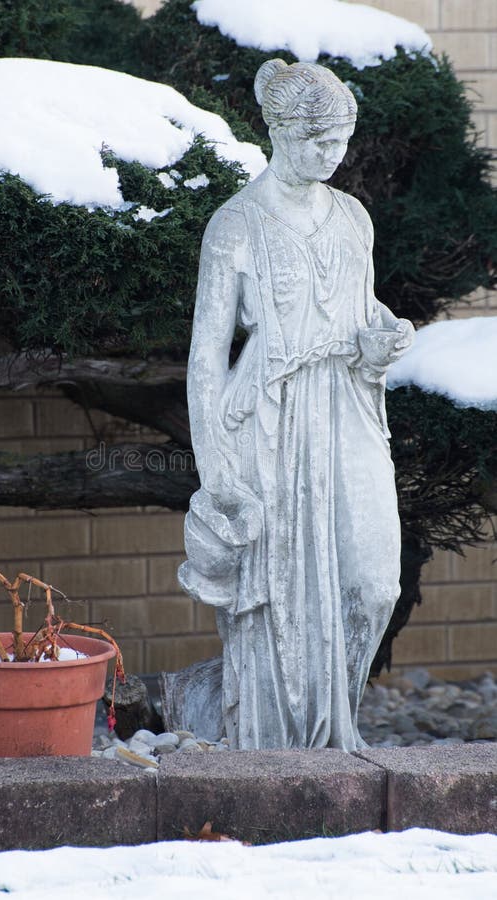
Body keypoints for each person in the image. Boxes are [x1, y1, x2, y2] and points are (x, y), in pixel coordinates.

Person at [178, 59, 414, 750]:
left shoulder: (351, 216)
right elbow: (205, 353)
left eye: (340, 140)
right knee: (277, 598)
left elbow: (358, 305)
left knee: (373, 586)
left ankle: (332, 729)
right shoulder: (235, 224)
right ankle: (276, 748)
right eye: (317, 140)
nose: (331, 155)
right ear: (278, 131)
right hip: (268, 419)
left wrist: (383, 340)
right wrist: (215, 473)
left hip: (347, 407)